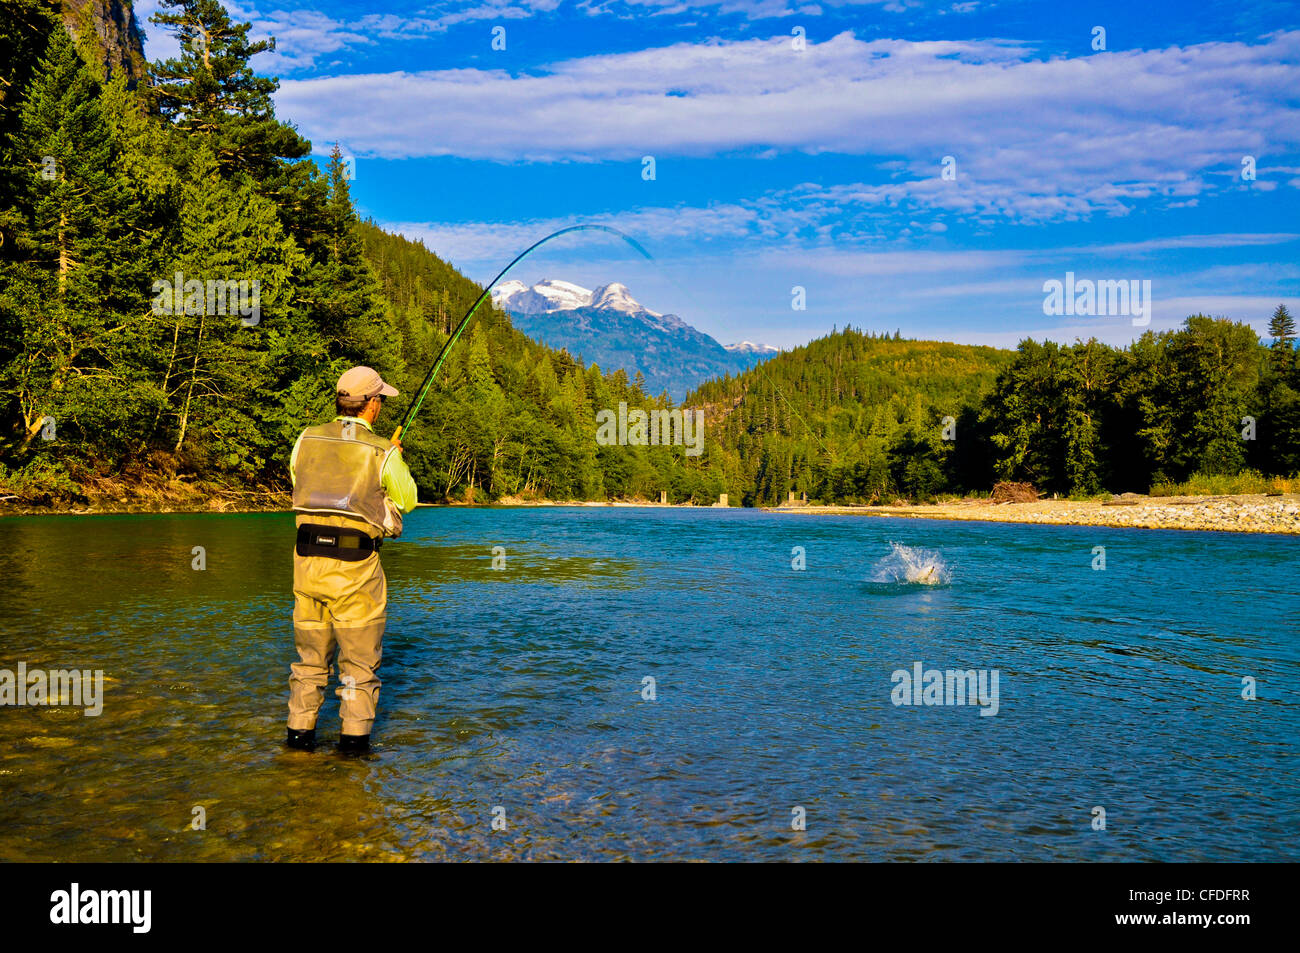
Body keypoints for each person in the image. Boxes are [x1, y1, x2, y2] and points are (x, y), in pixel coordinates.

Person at [285, 366, 418, 752]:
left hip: (306, 564)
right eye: (380, 400)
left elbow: (298, 479)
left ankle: (297, 744)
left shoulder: (305, 438)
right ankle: (352, 756)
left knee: (309, 662)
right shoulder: (382, 451)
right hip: (356, 569)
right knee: (358, 666)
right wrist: (393, 457)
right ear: (372, 405)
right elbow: (407, 500)